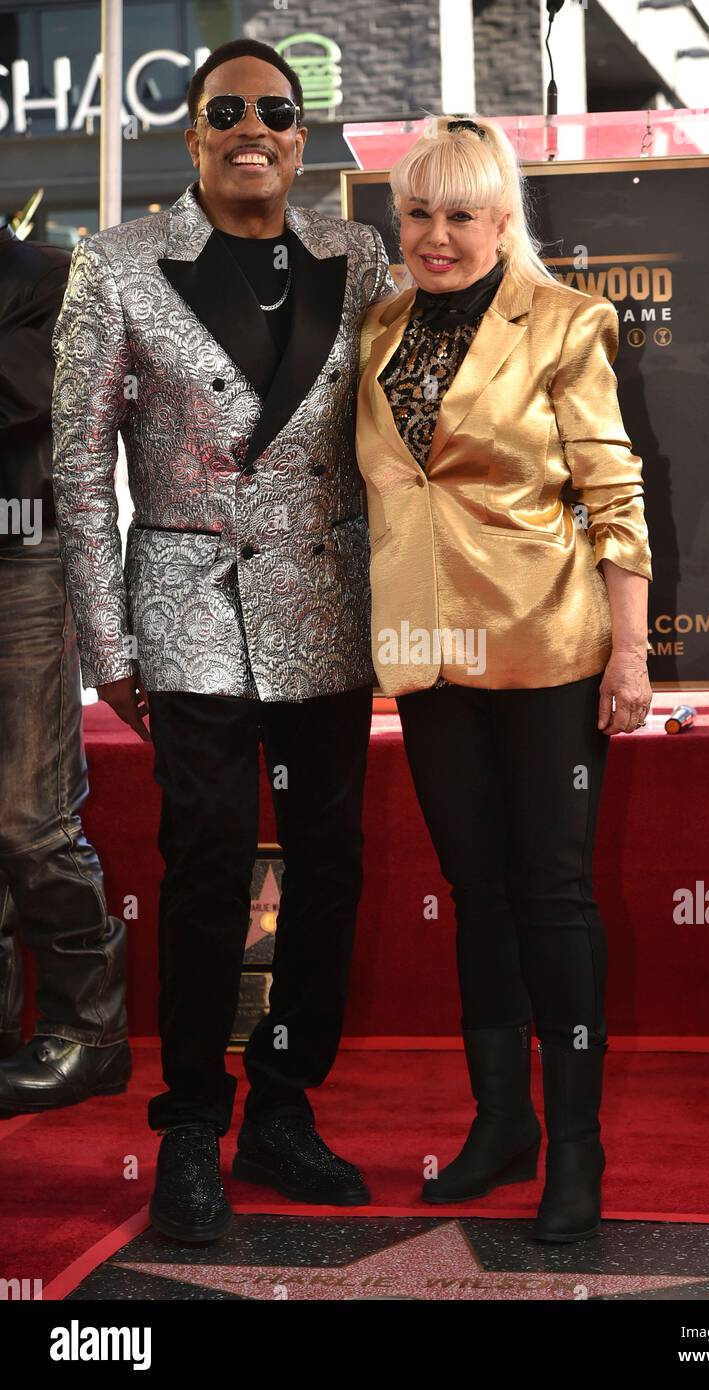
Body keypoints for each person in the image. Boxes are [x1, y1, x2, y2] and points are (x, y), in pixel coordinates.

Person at [51, 39, 395, 1243]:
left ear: (303, 135)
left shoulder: (356, 259)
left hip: (326, 613)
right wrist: (110, 644)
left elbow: (410, 422)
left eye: (278, 112)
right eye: (228, 111)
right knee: (202, 869)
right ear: (192, 132)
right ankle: (192, 1121)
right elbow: (80, 471)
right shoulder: (119, 263)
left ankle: (285, 1104)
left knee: (328, 866)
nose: (256, 129)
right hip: (188, 612)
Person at [355, 116, 653, 1242]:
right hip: (430, 660)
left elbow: (613, 498)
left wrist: (627, 653)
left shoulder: (565, 323)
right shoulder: (380, 328)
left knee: (554, 895)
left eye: (460, 215)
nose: (437, 236)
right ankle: (500, 1126)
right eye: (418, 214)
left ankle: (575, 1147)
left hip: (543, 649)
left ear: (500, 219)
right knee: (476, 895)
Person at [0, 218, 130, 1107]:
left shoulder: (50, 276)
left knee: (30, 816)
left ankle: (90, 1031)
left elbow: (41, 398)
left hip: (25, 559)